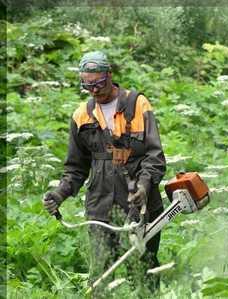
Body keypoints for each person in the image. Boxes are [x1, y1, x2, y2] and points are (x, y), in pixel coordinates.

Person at [42, 51, 166, 293]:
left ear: (110, 75)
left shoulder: (137, 104)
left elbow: (155, 156)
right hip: (99, 210)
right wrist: (59, 194)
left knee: (143, 276)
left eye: (99, 83)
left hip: (139, 208)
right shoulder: (82, 115)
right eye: (87, 85)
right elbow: (76, 168)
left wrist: (144, 186)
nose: (94, 91)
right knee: (100, 279)